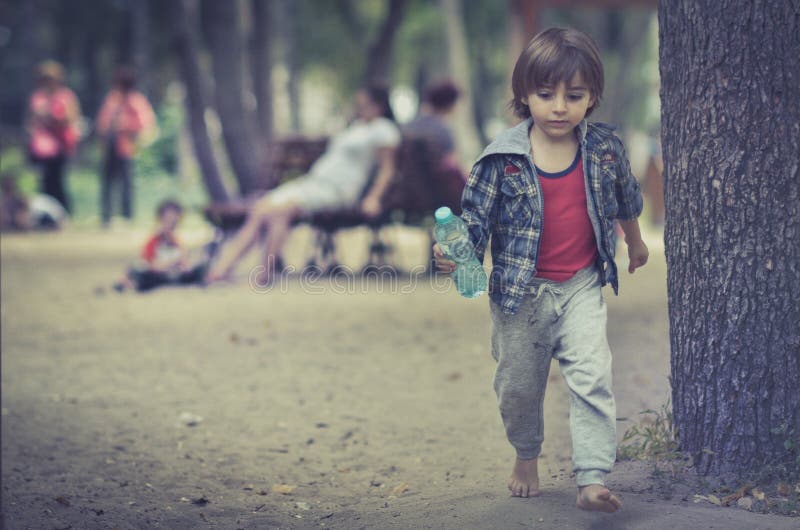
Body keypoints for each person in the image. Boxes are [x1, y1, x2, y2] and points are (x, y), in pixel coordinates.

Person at [433, 28, 649, 513]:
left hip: (580, 285)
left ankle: (591, 478)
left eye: (573, 96)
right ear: (524, 95)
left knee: (593, 377)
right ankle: (526, 454)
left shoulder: (604, 150)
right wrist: (453, 253)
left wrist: (634, 244)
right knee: (518, 387)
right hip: (520, 293)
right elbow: (472, 224)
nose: (558, 107)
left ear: (591, 96)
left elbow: (625, 200)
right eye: (545, 94)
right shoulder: (500, 160)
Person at [206, 82, 401, 285]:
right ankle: (223, 269)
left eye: (364, 104)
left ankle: (262, 272)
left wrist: (374, 198)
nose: (359, 108)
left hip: (336, 190)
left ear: (378, 105)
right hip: (313, 184)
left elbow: (387, 169)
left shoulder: (384, 130)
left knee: (281, 210)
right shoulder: (357, 127)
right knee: (261, 209)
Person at [96, 65, 158, 226]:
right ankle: (106, 216)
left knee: (126, 182)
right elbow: (103, 122)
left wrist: (125, 126)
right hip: (110, 146)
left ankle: (127, 216)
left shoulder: (136, 101)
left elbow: (145, 125)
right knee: (107, 181)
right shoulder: (112, 100)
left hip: (126, 147)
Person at [114, 199, 210, 292]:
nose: (171, 225)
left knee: (200, 268)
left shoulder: (178, 242)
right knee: (137, 269)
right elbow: (152, 265)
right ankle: (125, 283)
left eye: (174, 222)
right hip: (156, 275)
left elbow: (185, 266)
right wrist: (174, 261)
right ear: (160, 219)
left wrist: (184, 264)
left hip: (173, 275)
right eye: (168, 220)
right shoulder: (154, 240)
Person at [25, 60, 81, 213]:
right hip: (42, 148)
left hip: (61, 145)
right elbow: (32, 120)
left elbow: (71, 119)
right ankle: (46, 213)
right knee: (44, 181)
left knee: (58, 180)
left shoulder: (66, 96)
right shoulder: (38, 97)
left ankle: (64, 212)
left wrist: (53, 119)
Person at [403, 79, 466, 213]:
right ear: (451, 104)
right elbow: (451, 166)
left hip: (410, 194)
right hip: (441, 196)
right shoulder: (443, 130)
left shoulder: (409, 127)